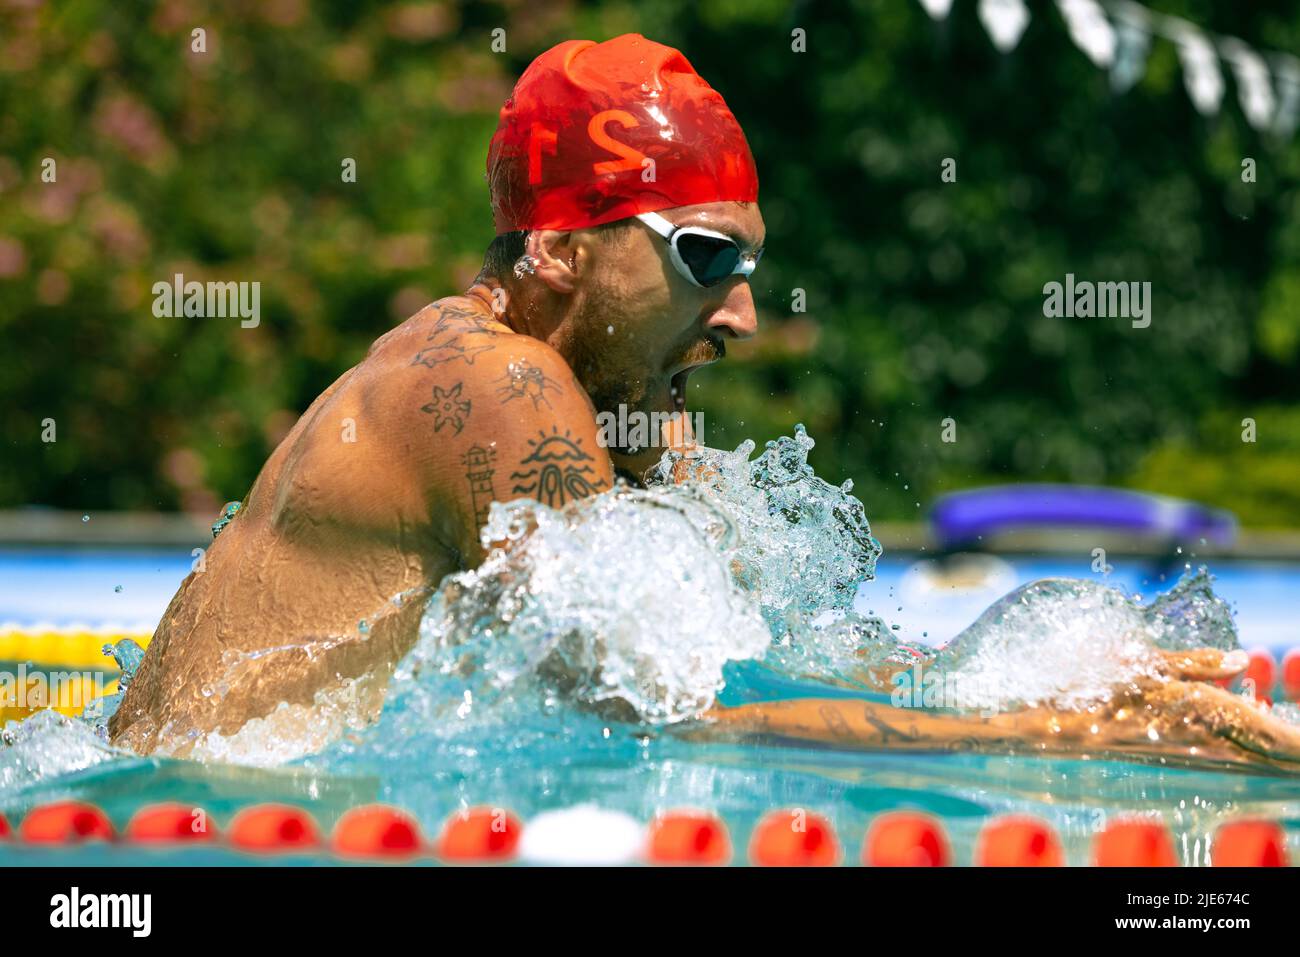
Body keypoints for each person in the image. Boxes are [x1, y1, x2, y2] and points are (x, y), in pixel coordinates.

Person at [109, 34, 1300, 774]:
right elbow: (662, 722)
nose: (737, 315)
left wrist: (1067, 683)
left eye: (747, 267)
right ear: (561, 249)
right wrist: (1076, 749)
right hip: (203, 828)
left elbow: (762, 663)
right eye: (700, 258)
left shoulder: (624, 406)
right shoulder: (491, 391)